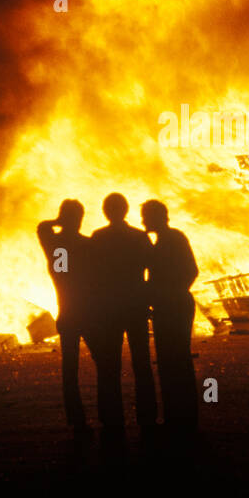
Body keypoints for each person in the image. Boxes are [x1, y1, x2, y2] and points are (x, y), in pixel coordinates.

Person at [88, 193, 158, 455]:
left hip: (108, 310)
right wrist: (148, 295)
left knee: (109, 367)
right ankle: (148, 418)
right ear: (126, 210)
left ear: (106, 212)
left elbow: (90, 276)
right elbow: (154, 267)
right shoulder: (139, 237)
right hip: (136, 306)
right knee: (142, 364)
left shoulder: (98, 238)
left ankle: (111, 419)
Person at [140, 200, 200, 448]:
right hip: (173, 305)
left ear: (157, 217)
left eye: (145, 217)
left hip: (173, 307)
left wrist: (168, 293)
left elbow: (190, 271)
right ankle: (182, 417)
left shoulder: (172, 240)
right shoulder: (166, 240)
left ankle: (181, 419)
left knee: (173, 361)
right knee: (174, 361)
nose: (143, 222)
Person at [37, 200, 94, 439]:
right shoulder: (88, 244)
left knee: (70, 369)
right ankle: (110, 416)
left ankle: (77, 419)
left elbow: (42, 227)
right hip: (89, 313)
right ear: (80, 218)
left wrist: (59, 221)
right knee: (105, 364)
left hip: (67, 312)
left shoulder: (53, 244)